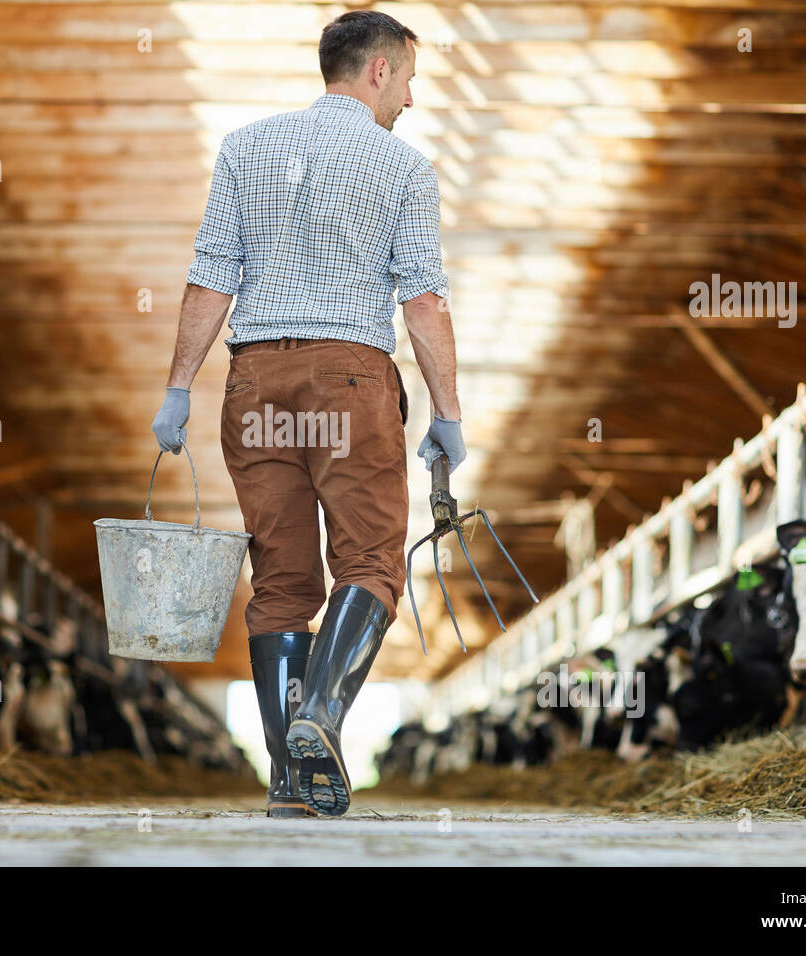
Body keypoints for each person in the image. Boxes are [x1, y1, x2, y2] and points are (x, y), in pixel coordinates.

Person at [151, 9, 464, 817]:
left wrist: (179, 384)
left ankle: (290, 785)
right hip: (349, 379)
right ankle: (319, 717)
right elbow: (424, 303)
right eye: (409, 84)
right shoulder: (403, 168)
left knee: (282, 583)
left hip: (255, 382)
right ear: (380, 71)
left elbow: (210, 274)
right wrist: (447, 412)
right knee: (370, 564)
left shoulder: (244, 149)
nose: (410, 104)